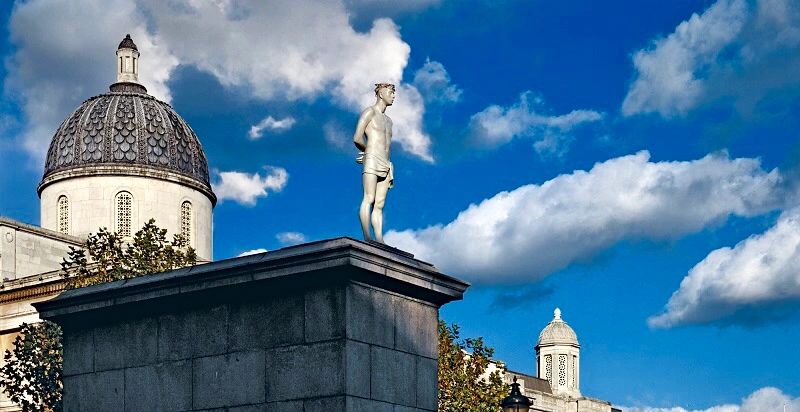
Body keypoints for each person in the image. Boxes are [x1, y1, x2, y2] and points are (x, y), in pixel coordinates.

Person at [353, 83, 395, 243]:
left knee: (379, 204)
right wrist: (367, 151)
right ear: (381, 94)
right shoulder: (369, 112)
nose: (393, 96)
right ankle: (367, 238)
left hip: (386, 162)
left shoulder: (389, 121)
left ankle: (379, 239)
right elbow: (357, 137)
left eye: (393, 93)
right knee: (368, 198)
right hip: (372, 158)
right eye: (390, 92)